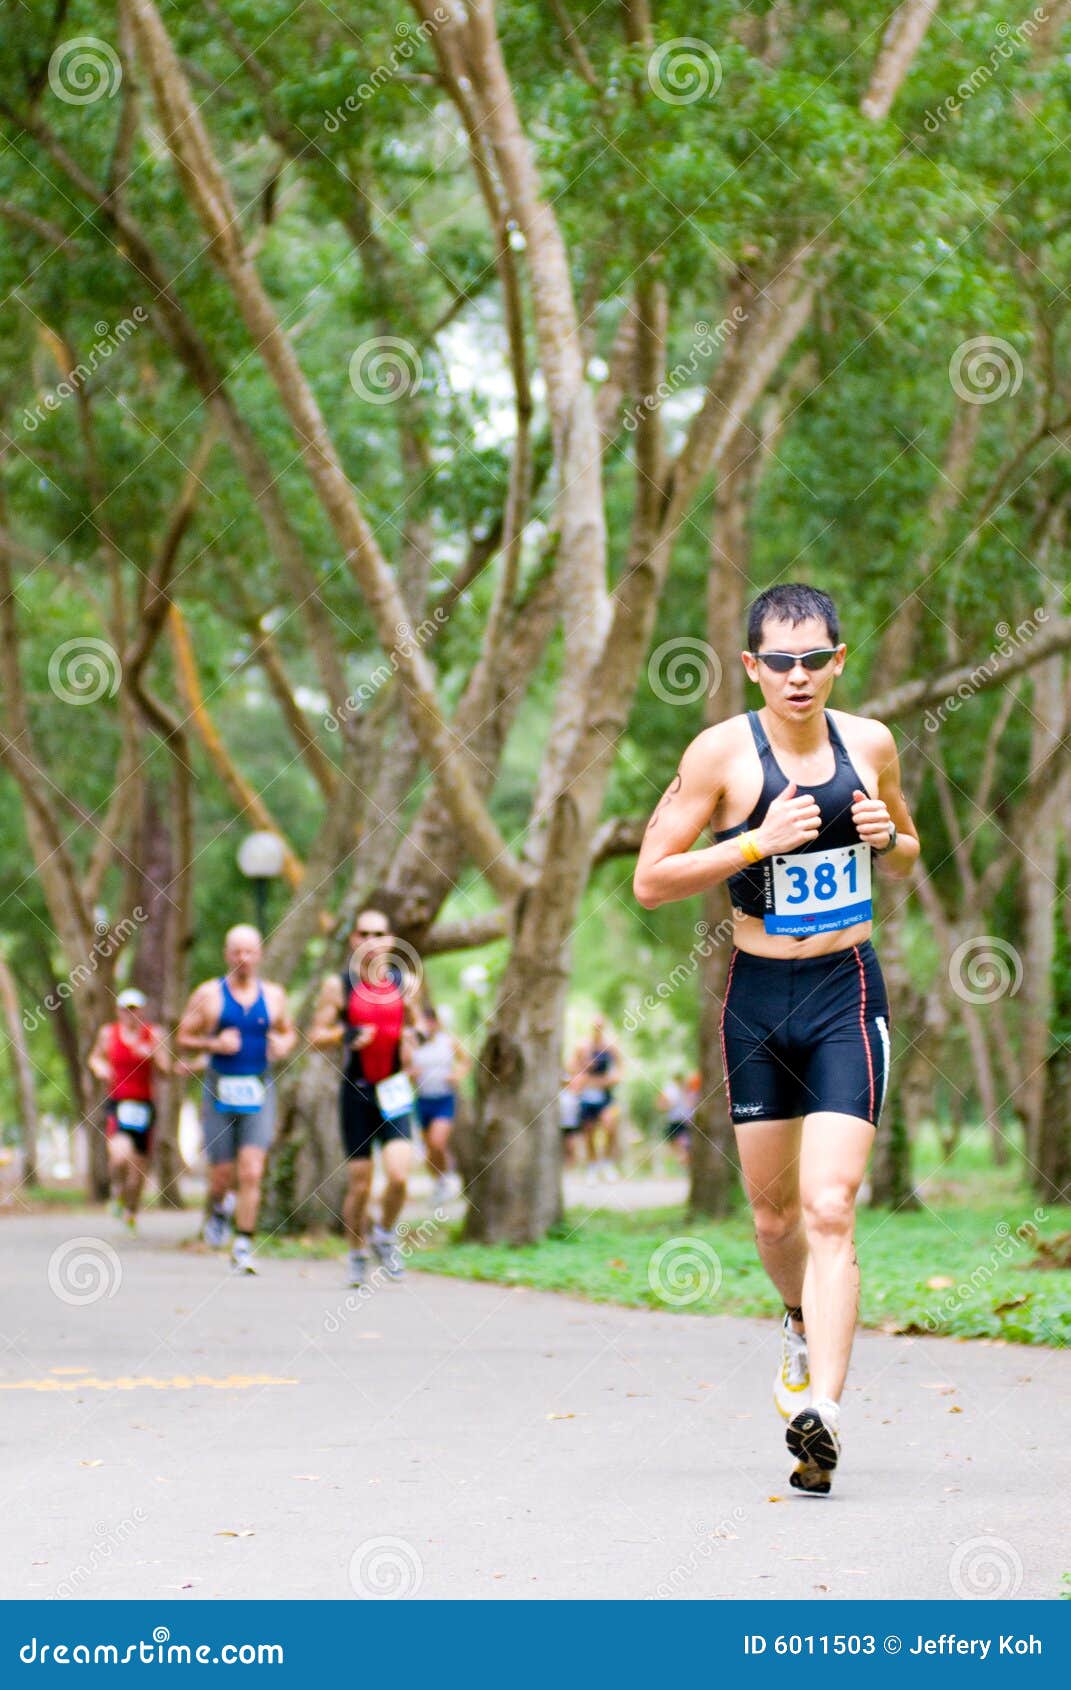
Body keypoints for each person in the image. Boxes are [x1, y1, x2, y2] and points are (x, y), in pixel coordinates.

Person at [633, 583, 919, 1494]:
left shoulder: (869, 744)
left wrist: (888, 838)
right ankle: (795, 1322)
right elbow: (651, 879)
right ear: (752, 666)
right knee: (773, 1216)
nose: (798, 678)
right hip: (757, 997)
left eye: (815, 659)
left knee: (830, 1205)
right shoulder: (720, 755)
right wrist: (754, 844)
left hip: (845, 987)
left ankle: (820, 1418)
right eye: (779, 662)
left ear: (839, 660)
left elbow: (906, 845)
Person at [176, 925, 296, 1274]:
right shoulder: (209, 994)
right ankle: (218, 1207)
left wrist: (282, 1044)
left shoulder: (273, 995)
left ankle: (243, 1243)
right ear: (227, 955)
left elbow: (288, 1031)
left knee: (252, 1170)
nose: (243, 959)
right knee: (222, 1174)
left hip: (259, 1086)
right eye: (236, 952)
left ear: (259, 955)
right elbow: (183, 1036)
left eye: (250, 952)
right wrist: (214, 1044)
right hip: (219, 1088)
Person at [308, 909, 417, 1288]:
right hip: (356, 1090)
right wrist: (347, 1035)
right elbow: (315, 1036)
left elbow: (420, 1025)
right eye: (363, 933)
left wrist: (412, 1042)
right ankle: (356, 1253)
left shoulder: (406, 982)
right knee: (360, 1183)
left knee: (400, 1177)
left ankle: (385, 1235)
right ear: (353, 940)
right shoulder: (338, 986)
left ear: (390, 940)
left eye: (379, 933)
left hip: (395, 1089)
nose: (371, 941)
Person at [87, 989, 169, 1233]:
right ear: (118, 1011)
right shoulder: (108, 1033)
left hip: (144, 1106)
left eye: (134, 1009)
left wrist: (152, 1054)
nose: (130, 1014)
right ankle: (117, 1192)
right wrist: (100, 1068)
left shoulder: (154, 1034)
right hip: (119, 1103)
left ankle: (131, 1210)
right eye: (125, 1009)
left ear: (141, 1011)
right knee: (119, 1157)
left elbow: (166, 1071)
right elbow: (95, 1058)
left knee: (138, 1173)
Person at [411, 1004, 467, 1205]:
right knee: (429, 1149)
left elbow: (465, 1061)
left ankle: (447, 1174)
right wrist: (412, 1075)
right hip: (423, 1099)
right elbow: (405, 1069)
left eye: (433, 1019)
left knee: (438, 1142)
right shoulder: (415, 1044)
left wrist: (457, 1075)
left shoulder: (448, 1042)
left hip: (443, 1098)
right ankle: (439, 1183)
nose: (430, 1024)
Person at [570, 1016, 623, 1180]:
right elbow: (571, 1067)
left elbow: (621, 1068)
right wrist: (581, 1078)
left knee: (610, 1126)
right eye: (596, 1025)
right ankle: (592, 1166)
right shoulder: (582, 1046)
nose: (598, 1028)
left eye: (601, 1025)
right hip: (587, 1094)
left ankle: (607, 1164)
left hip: (605, 1094)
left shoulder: (610, 1047)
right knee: (589, 1131)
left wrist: (611, 1079)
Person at [657, 1071, 692, 1167]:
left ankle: (684, 1160)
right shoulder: (678, 1089)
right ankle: (684, 1160)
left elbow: (662, 1104)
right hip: (681, 1121)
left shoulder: (673, 1089)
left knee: (680, 1146)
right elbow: (662, 1104)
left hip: (679, 1121)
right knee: (679, 1146)